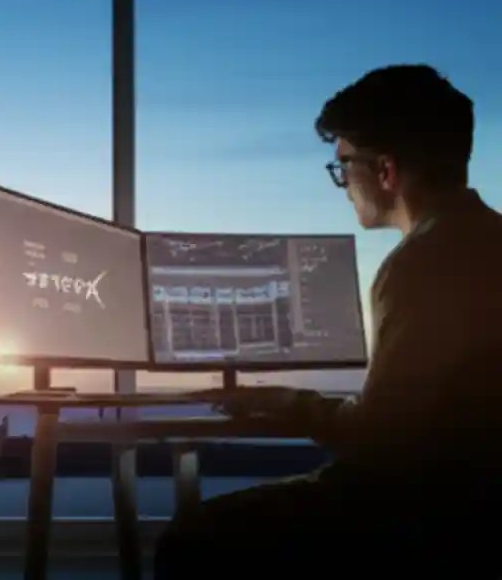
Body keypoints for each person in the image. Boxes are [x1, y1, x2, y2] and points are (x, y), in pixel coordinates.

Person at [153, 64, 502, 578]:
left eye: (343, 166)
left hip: (430, 512)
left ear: (384, 170)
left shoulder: (419, 264)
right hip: (480, 507)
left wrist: (285, 404)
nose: (342, 185)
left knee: (191, 540)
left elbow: (381, 437)